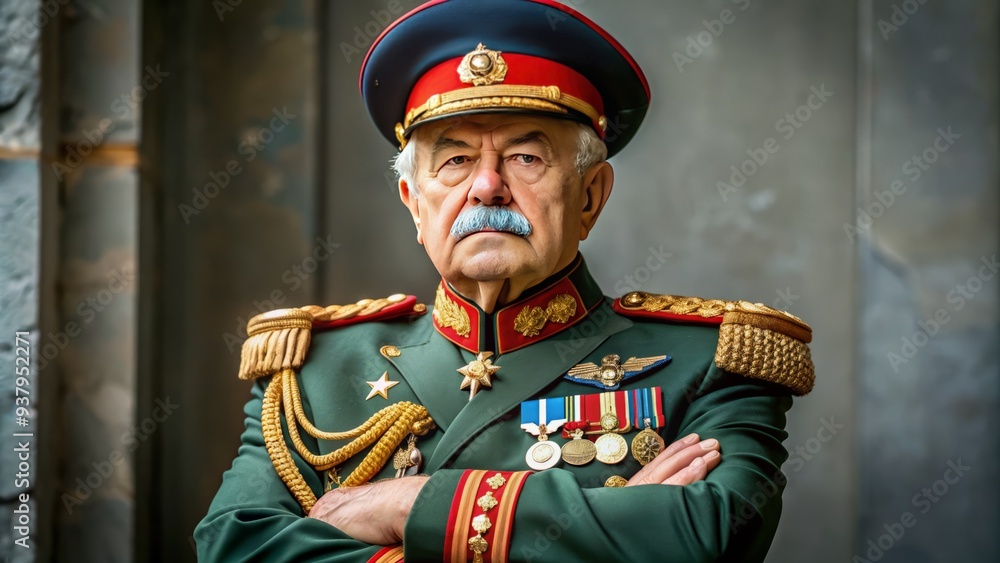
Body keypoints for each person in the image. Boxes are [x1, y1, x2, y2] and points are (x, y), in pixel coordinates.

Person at [195, 1, 815, 561]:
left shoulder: (710, 362)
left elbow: (711, 534)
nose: (487, 186)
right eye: (456, 159)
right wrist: (604, 533)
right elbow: (232, 546)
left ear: (591, 197)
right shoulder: (312, 373)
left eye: (526, 157)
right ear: (414, 201)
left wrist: (409, 508)